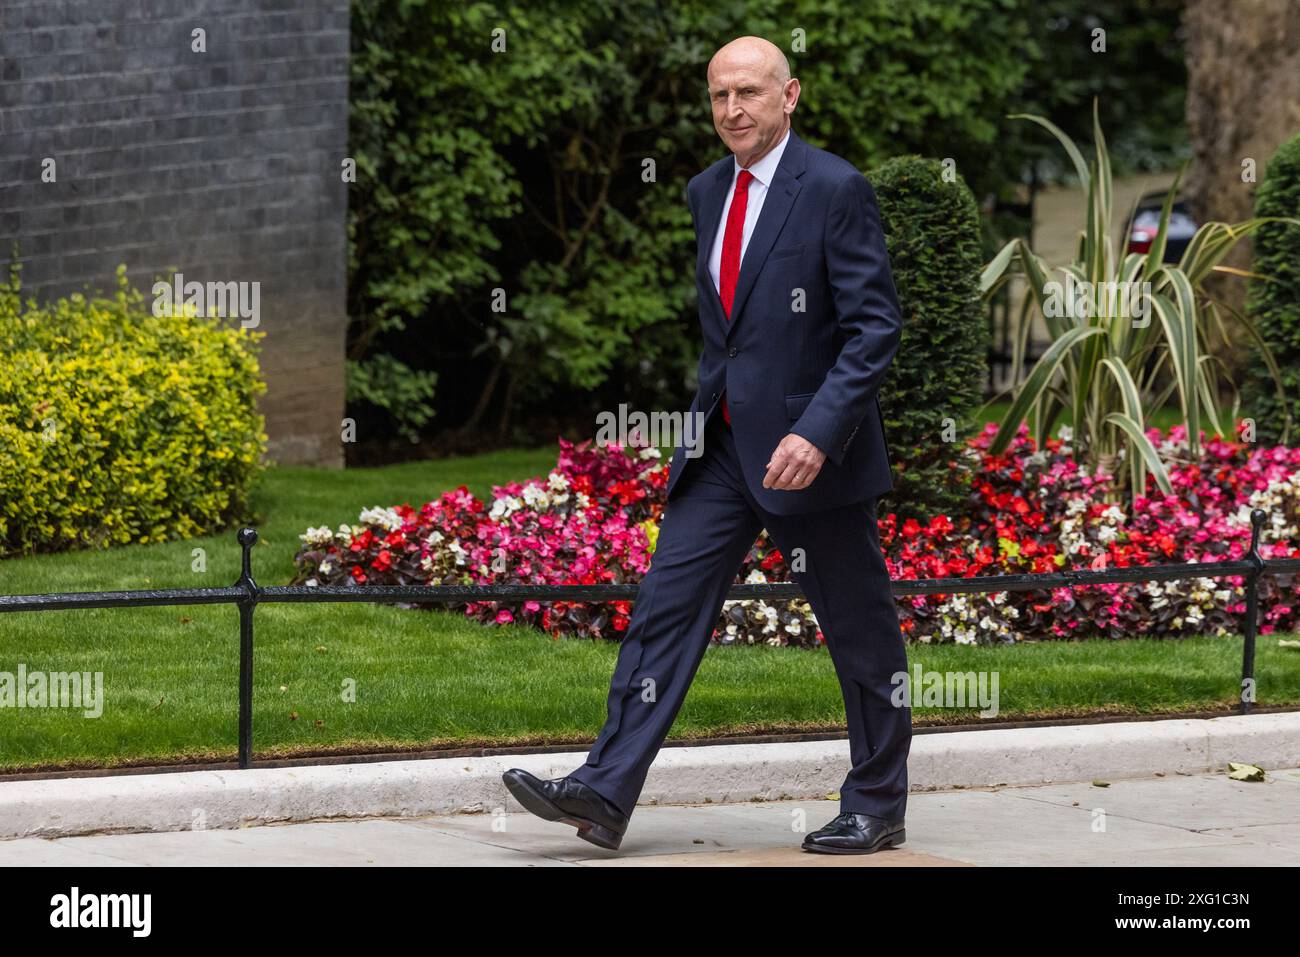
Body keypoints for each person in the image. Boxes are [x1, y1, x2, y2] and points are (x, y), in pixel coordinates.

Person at [503, 35, 910, 854]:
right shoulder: (703, 191)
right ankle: (605, 790)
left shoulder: (834, 187)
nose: (733, 110)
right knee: (663, 608)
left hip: (809, 453)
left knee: (860, 629)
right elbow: (728, 337)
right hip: (721, 447)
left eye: (750, 93)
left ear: (789, 95)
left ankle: (877, 802)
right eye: (721, 96)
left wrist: (818, 431)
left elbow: (876, 328)